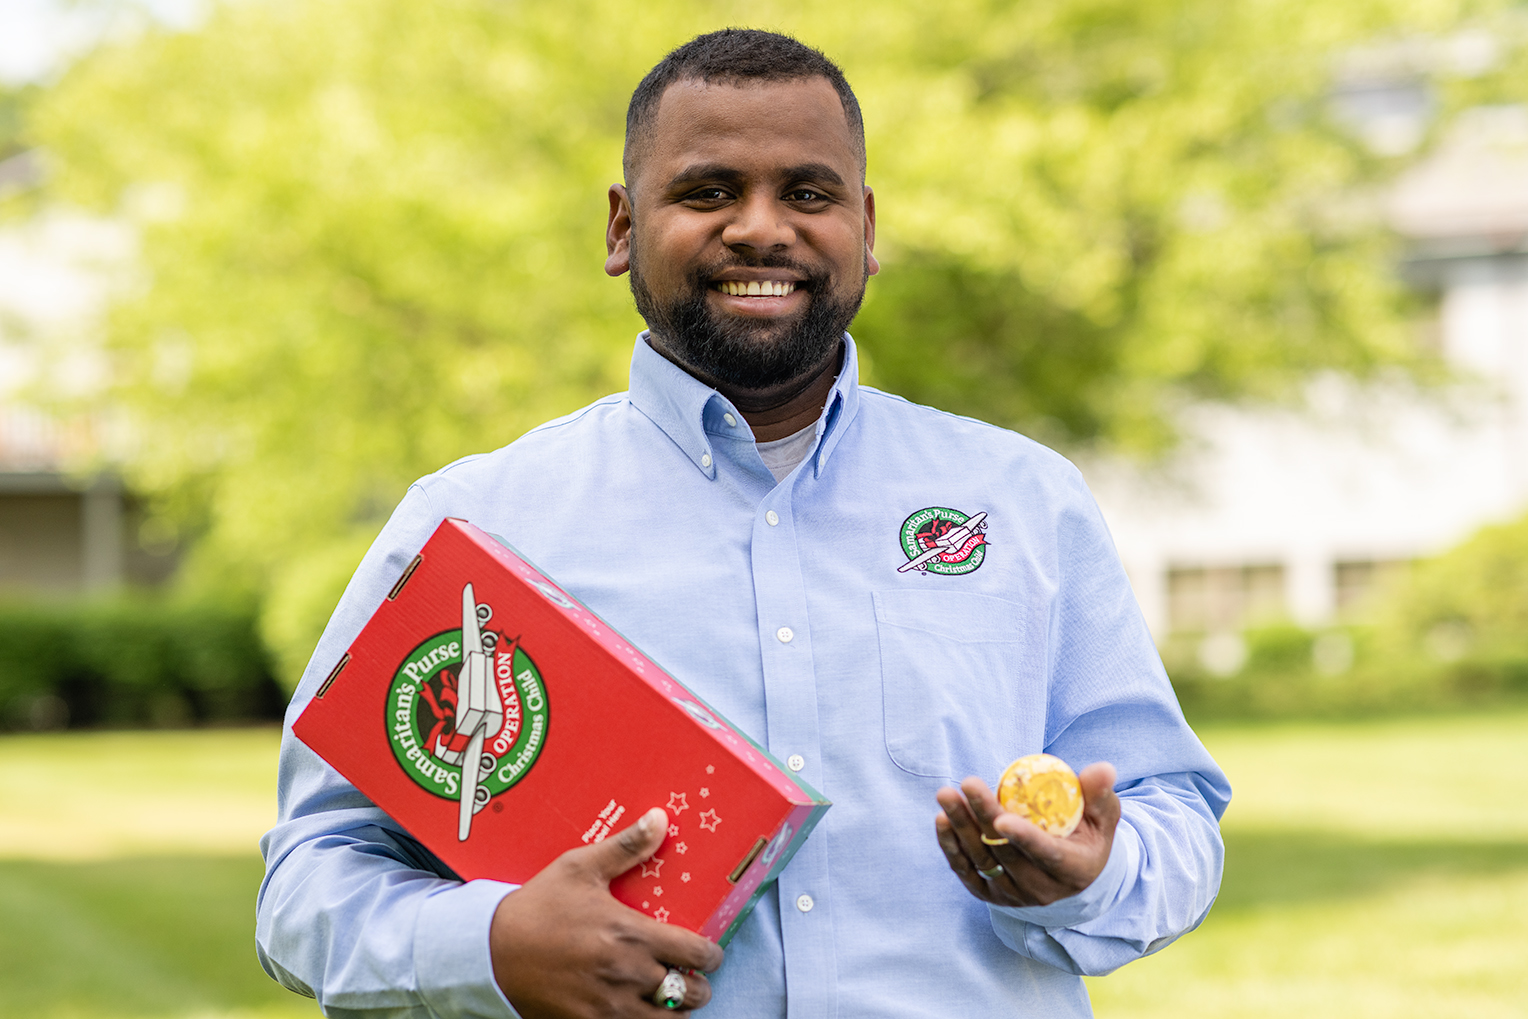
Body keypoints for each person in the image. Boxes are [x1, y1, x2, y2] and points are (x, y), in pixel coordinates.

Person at [257, 28, 1230, 1019]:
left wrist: (1095, 877)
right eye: (709, 191)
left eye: (808, 194)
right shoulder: (477, 524)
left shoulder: (1021, 499)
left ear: (866, 226)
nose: (761, 229)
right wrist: (493, 948)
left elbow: (1174, 813)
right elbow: (308, 880)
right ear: (622, 226)